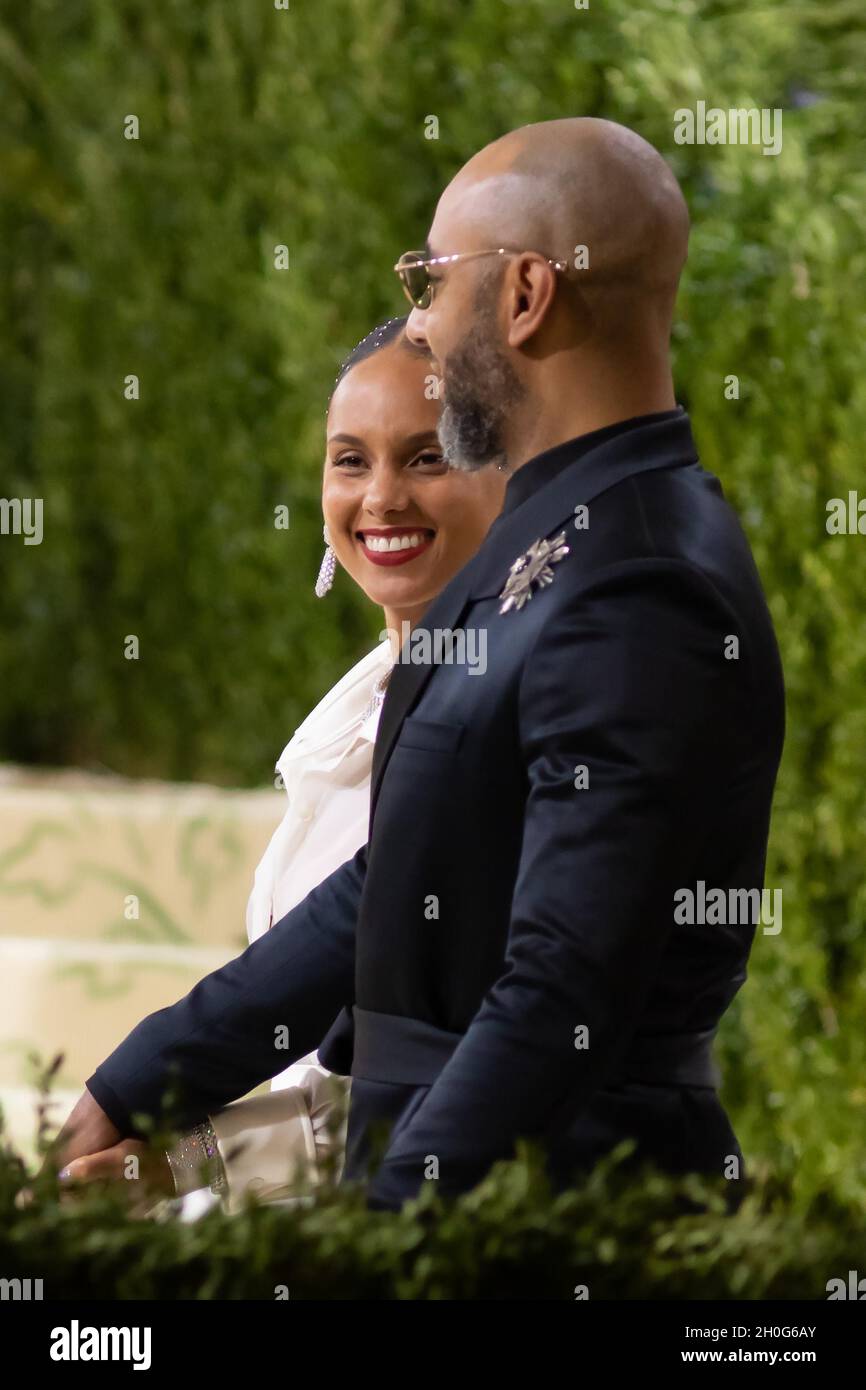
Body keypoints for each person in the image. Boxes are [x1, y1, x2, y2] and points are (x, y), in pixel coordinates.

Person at [55, 117, 785, 1213]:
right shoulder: (564, 527)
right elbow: (406, 879)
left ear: (527, 294)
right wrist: (146, 1079)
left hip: (542, 1227)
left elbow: (557, 993)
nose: (419, 325)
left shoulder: (640, 584)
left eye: (430, 279)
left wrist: (386, 1237)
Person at [56, 316, 505, 1210]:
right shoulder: (365, 700)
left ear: (509, 477)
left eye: (427, 458)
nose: (381, 497)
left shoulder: (499, 720)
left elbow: (450, 1079)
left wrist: (189, 1160)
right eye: (350, 459)